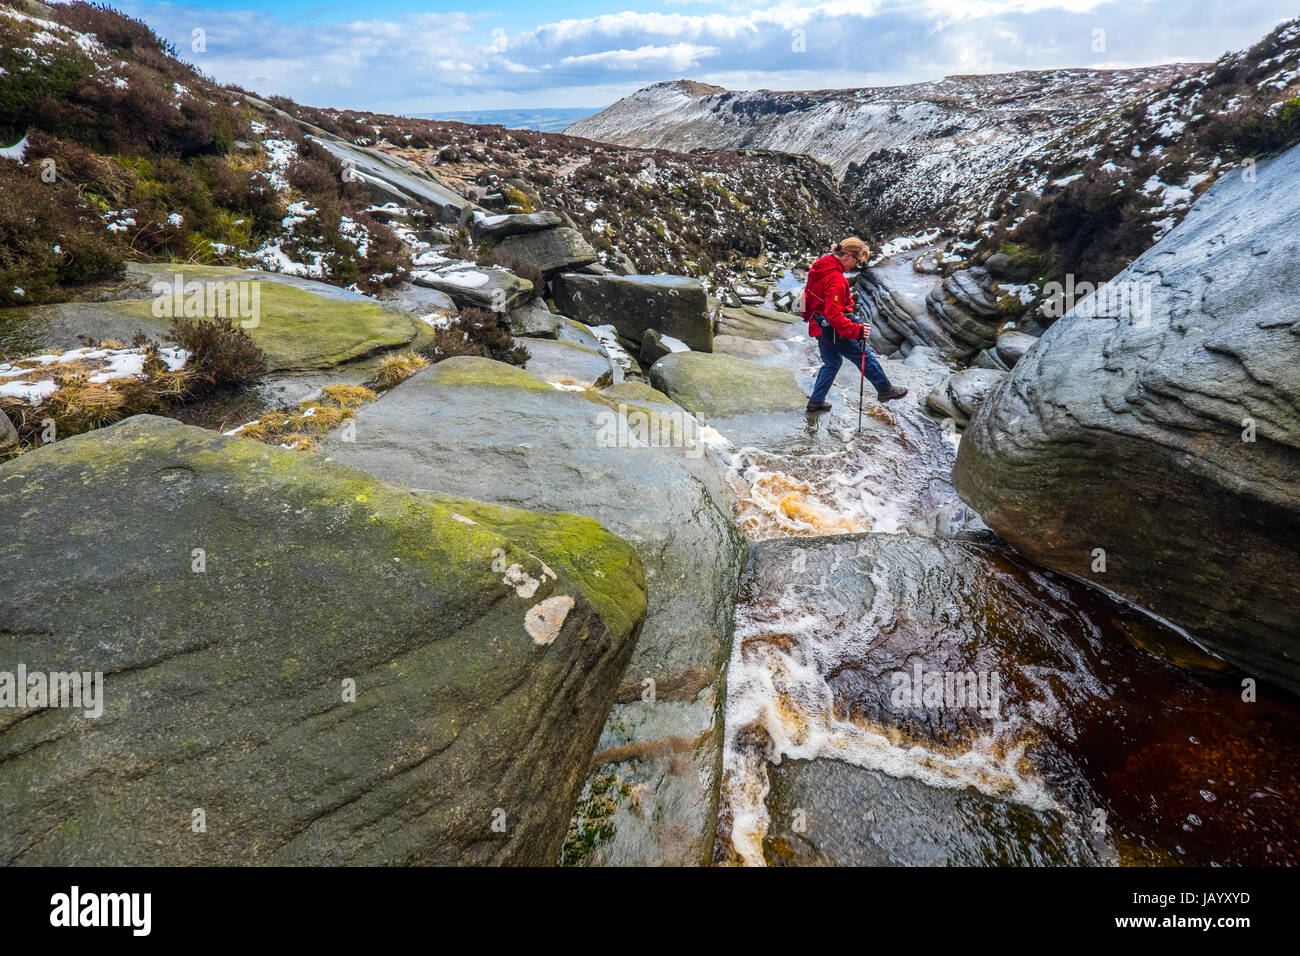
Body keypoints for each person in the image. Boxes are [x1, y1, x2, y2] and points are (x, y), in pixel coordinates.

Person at [800, 237, 908, 413]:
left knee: (832, 362)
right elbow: (834, 316)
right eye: (858, 262)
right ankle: (885, 390)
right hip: (833, 330)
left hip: (819, 325)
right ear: (848, 256)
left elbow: (808, 292)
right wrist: (856, 330)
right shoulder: (835, 279)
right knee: (863, 355)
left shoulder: (820, 266)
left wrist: (807, 314)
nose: (856, 266)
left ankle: (816, 401)